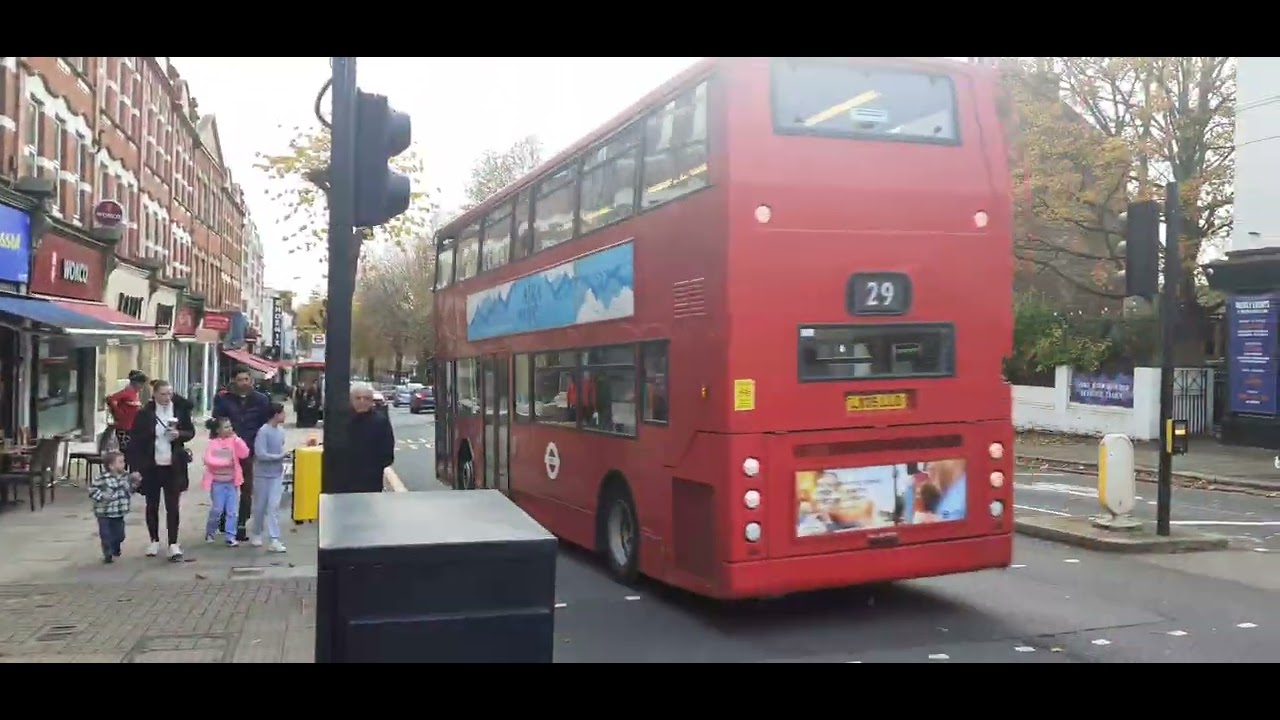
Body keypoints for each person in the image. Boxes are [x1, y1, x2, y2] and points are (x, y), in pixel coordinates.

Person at [126, 380, 196, 561]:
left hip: (173, 465)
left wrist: (179, 434)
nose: (167, 398)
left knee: (173, 505)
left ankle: (173, 543)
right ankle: (154, 540)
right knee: (152, 504)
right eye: (163, 394)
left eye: (170, 394)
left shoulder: (179, 410)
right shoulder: (145, 414)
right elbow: (135, 442)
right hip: (152, 465)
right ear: (154, 394)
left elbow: (190, 431)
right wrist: (135, 468)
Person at [212, 366, 272, 541]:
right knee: (225, 487)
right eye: (240, 380)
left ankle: (241, 524)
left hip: (250, 449)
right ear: (234, 381)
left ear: (251, 380)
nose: (244, 383)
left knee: (246, 489)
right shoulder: (224, 400)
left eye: (246, 379)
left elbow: (265, 425)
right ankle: (225, 519)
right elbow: (217, 424)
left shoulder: (260, 400)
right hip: (227, 451)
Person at [337, 381, 395, 493]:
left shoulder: (381, 421)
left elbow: (388, 454)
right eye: (358, 398)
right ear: (351, 399)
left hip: (371, 482)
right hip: (343, 482)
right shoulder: (341, 420)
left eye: (366, 398)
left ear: (371, 401)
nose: (362, 401)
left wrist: (373, 468)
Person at [202, 417, 250, 547]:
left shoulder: (234, 442)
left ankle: (230, 535)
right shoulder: (213, 443)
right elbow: (209, 460)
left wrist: (238, 440)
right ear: (218, 430)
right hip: (217, 483)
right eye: (226, 427)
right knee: (217, 509)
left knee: (232, 511)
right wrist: (225, 462)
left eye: (230, 426)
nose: (229, 429)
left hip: (231, 482)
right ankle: (210, 531)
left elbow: (244, 453)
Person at [250, 402, 289, 552]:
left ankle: (274, 538)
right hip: (262, 474)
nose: (284, 416)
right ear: (275, 414)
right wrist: (279, 456)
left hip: (276, 474)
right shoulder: (263, 431)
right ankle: (256, 532)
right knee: (260, 506)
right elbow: (260, 454)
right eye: (282, 413)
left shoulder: (281, 431)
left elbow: (280, 446)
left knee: (274, 505)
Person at [88, 451, 138, 564]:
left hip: (119, 512)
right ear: (111, 466)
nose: (123, 464)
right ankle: (107, 552)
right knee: (105, 534)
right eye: (120, 462)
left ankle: (116, 547)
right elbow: (92, 490)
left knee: (120, 534)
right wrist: (102, 496)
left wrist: (135, 483)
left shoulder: (126, 477)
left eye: (123, 461)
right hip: (104, 512)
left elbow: (130, 491)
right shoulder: (102, 478)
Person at [106, 370, 148, 456]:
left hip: (132, 428)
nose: (142, 387)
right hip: (124, 428)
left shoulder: (134, 395)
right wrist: (119, 414)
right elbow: (111, 399)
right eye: (141, 384)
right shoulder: (126, 393)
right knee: (126, 453)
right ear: (135, 383)